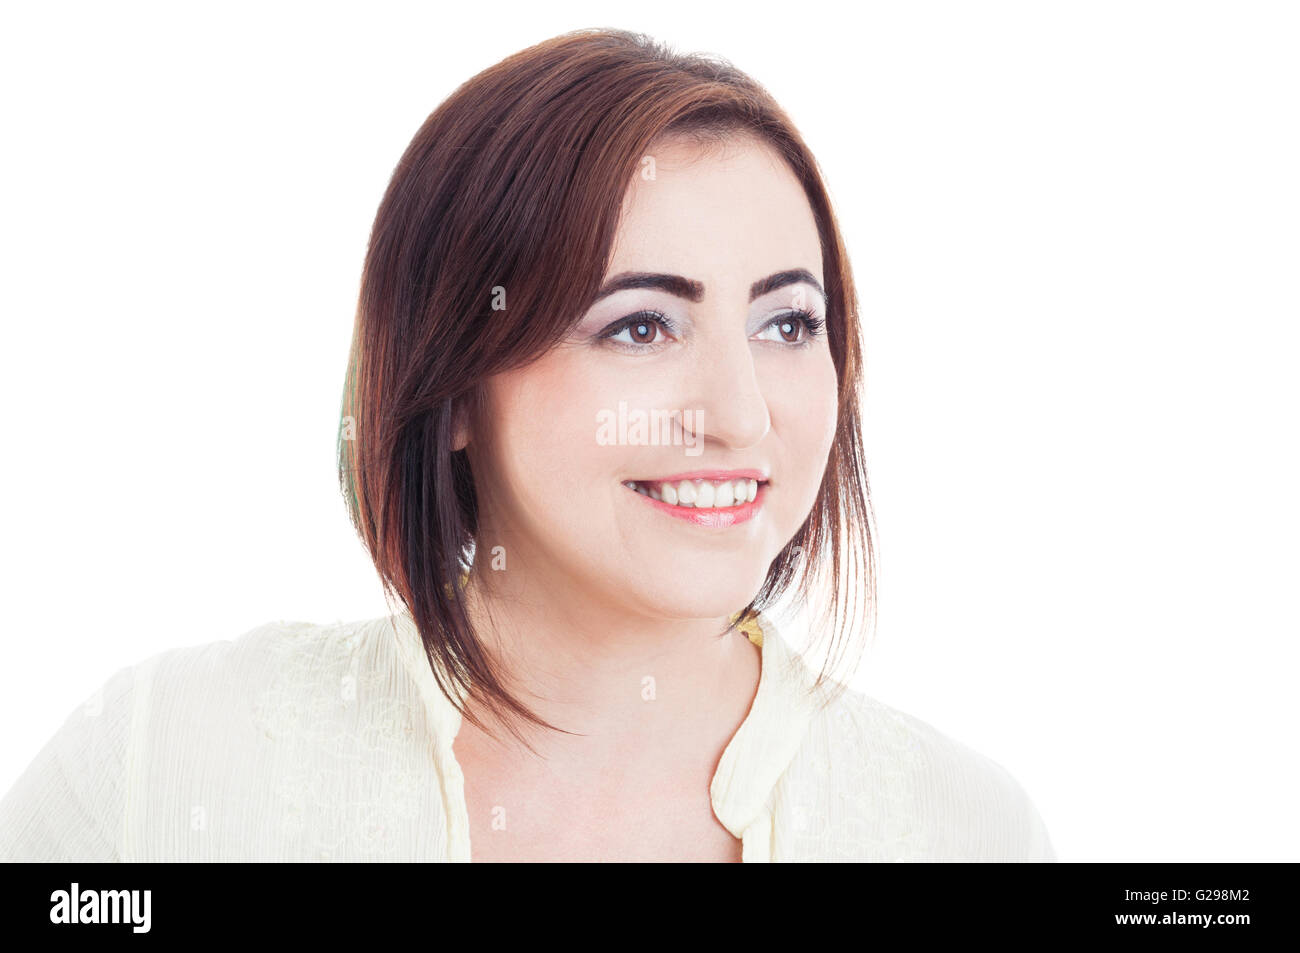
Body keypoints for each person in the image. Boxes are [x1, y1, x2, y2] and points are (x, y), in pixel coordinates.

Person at [0, 27, 1055, 862]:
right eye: (639, 325)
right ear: (454, 383)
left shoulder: (965, 831)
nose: (739, 414)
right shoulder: (157, 768)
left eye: (786, 323)